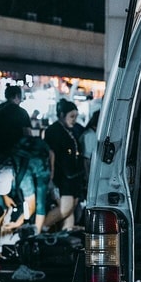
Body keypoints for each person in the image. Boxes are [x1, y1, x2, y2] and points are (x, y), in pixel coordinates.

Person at [43, 99, 86, 231]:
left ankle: (66, 237)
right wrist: (51, 177)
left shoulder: (72, 130)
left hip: (73, 176)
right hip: (62, 176)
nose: (74, 120)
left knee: (70, 209)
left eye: (76, 116)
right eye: (71, 116)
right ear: (61, 115)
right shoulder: (54, 130)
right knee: (65, 208)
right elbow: (51, 155)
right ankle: (41, 227)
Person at [0, 84, 31, 162]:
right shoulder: (22, 113)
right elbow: (28, 134)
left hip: (0, 152)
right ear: (17, 96)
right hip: (17, 154)